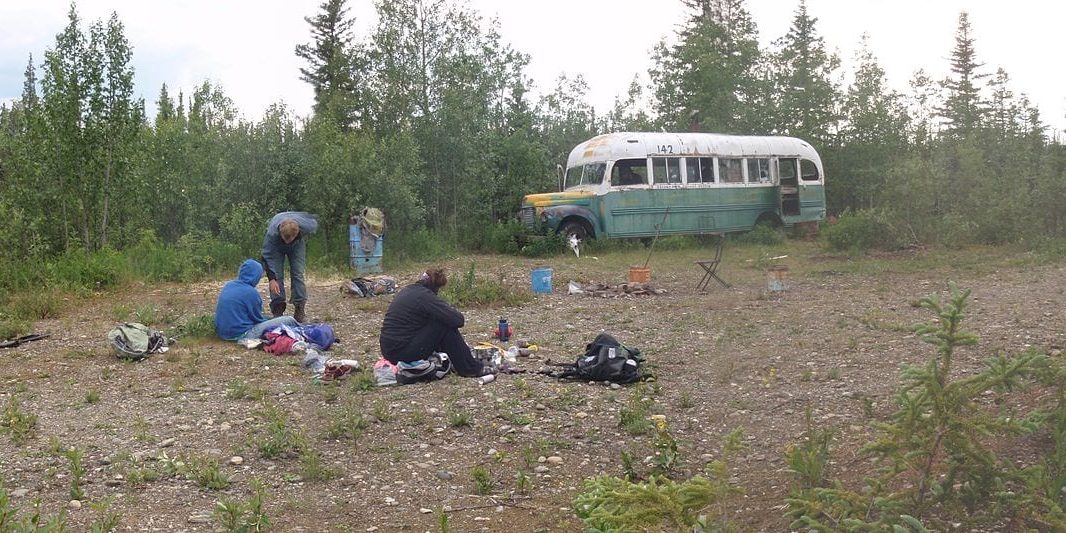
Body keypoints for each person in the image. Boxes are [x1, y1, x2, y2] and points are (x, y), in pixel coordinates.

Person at [378, 268, 492, 378]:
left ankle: (454, 360)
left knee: (435, 323)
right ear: (435, 287)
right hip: (401, 353)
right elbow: (457, 320)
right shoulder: (425, 296)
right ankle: (470, 369)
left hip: (389, 350)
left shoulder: (408, 291)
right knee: (443, 324)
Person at [215, 259, 300, 341]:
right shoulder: (251, 292)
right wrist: (271, 320)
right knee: (289, 320)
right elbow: (257, 319)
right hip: (243, 334)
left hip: (223, 334)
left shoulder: (229, 285)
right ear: (255, 276)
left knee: (272, 319)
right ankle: (305, 330)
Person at [260, 211, 319, 323]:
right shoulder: (272, 234)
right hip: (276, 246)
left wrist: (298, 239)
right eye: (285, 240)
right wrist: (272, 278)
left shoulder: (308, 226)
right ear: (280, 234)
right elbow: (266, 257)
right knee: (277, 276)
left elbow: (313, 217)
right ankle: (278, 310)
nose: (287, 243)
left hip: (297, 244)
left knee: (298, 274)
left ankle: (299, 309)